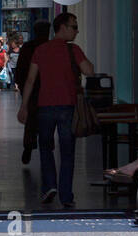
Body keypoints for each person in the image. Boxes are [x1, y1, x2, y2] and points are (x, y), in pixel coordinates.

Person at [17, 12, 94, 208]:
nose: (77, 31)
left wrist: (24, 106)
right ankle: (66, 195)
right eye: (74, 27)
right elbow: (89, 71)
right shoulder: (73, 50)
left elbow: (31, 80)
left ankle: (49, 186)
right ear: (63, 28)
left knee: (46, 148)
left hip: (44, 107)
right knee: (67, 151)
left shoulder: (41, 50)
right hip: (67, 107)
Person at [14, 20, 51, 165]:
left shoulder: (28, 47)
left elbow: (21, 67)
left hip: (31, 90)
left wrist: (21, 85)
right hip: (48, 89)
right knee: (47, 119)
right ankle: (46, 146)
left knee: (31, 119)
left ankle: (29, 145)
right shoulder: (50, 47)